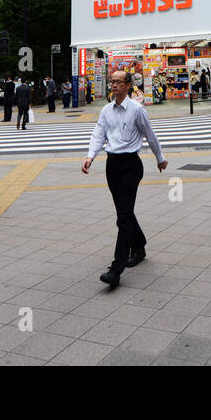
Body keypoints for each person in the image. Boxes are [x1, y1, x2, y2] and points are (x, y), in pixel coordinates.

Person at [82, 70, 167, 289]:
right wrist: (90, 157)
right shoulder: (106, 110)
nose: (114, 85)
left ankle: (116, 269)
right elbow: (98, 134)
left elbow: (150, 134)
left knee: (123, 216)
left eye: (119, 82)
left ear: (128, 85)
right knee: (125, 212)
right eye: (113, 82)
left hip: (131, 165)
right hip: (113, 165)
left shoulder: (137, 110)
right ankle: (139, 245)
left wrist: (160, 158)